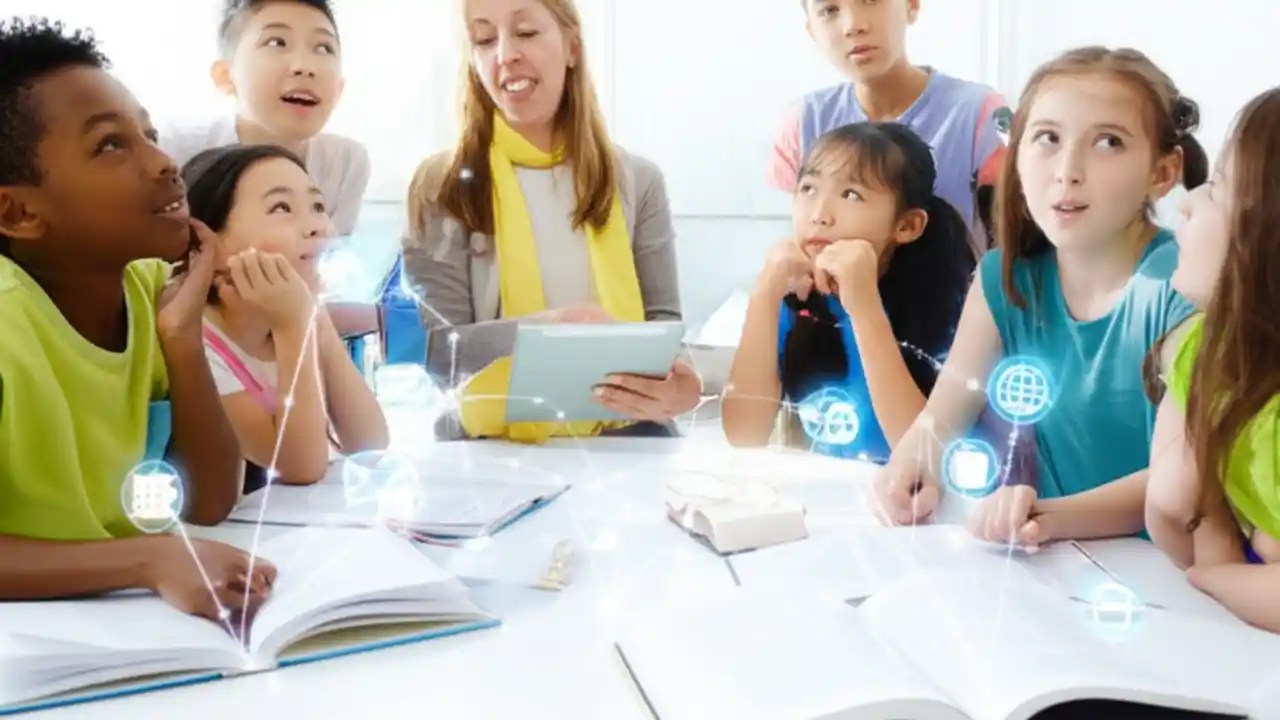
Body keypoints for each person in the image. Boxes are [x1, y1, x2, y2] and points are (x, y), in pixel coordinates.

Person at [873, 47, 1205, 548]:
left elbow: (1183, 482)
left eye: (1108, 142)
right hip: (1065, 570)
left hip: (1173, 576)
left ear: (1162, 172)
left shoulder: (1184, 288)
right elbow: (940, 419)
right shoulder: (1004, 281)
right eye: (1048, 138)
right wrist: (910, 468)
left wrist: (1044, 515)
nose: (1067, 170)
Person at [0, 17, 272, 621]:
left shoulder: (146, 289)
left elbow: (209, 500)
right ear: (19, 212)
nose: (162, 162)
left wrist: (182, 340)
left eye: (148, 132)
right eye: (110, 145)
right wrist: (145, 561)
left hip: (118, 620)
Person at [401, 0, 700, 442]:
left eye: (525, 32)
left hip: (629, 443)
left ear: (572, 47)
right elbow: (439, 356)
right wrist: (552, 330)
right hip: (489, 451)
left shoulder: (638, 181)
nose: (505, 54)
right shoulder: (441, 184)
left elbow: (665, 331)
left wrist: (682, 385)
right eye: (484, 39)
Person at [723, 122, 973, 461]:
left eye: (850, 194)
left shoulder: (952, 308)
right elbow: (743, 435)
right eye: (808, 188)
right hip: (823, 501)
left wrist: (865, 307)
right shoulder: (796, 299)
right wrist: (764, 295)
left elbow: (920, 457)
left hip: (910, 505)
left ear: (906, 226)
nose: (819, 215)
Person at [1146, 87, 1280, 632]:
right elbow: (1171, 507)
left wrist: (1220, 576)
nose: (1187, 201)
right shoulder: (1198, 347)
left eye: (1219, 187)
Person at [183, 144, 388, 492]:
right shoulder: (196, 341)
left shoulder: (301, 312)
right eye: (282, 208)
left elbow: (369, 444)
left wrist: (312, 319)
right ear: (208, 243)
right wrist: (294, 325)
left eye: (318, 207)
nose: (317, 227)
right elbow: (299, 466)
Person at [770, 0, 1008, 248]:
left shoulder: (982, 114)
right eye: (830, 10)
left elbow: (1014, 249)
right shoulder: (802, 122)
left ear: (911, 5)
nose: (853, 26)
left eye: (871, 1)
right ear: (812, 30)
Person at [162, 0, 369, 237]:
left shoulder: (345, 164)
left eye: (323, 48)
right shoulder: (175, 149)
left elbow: (332, 259)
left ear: (338, 89)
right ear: (226, 76)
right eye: (276, 42)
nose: (305, 67)